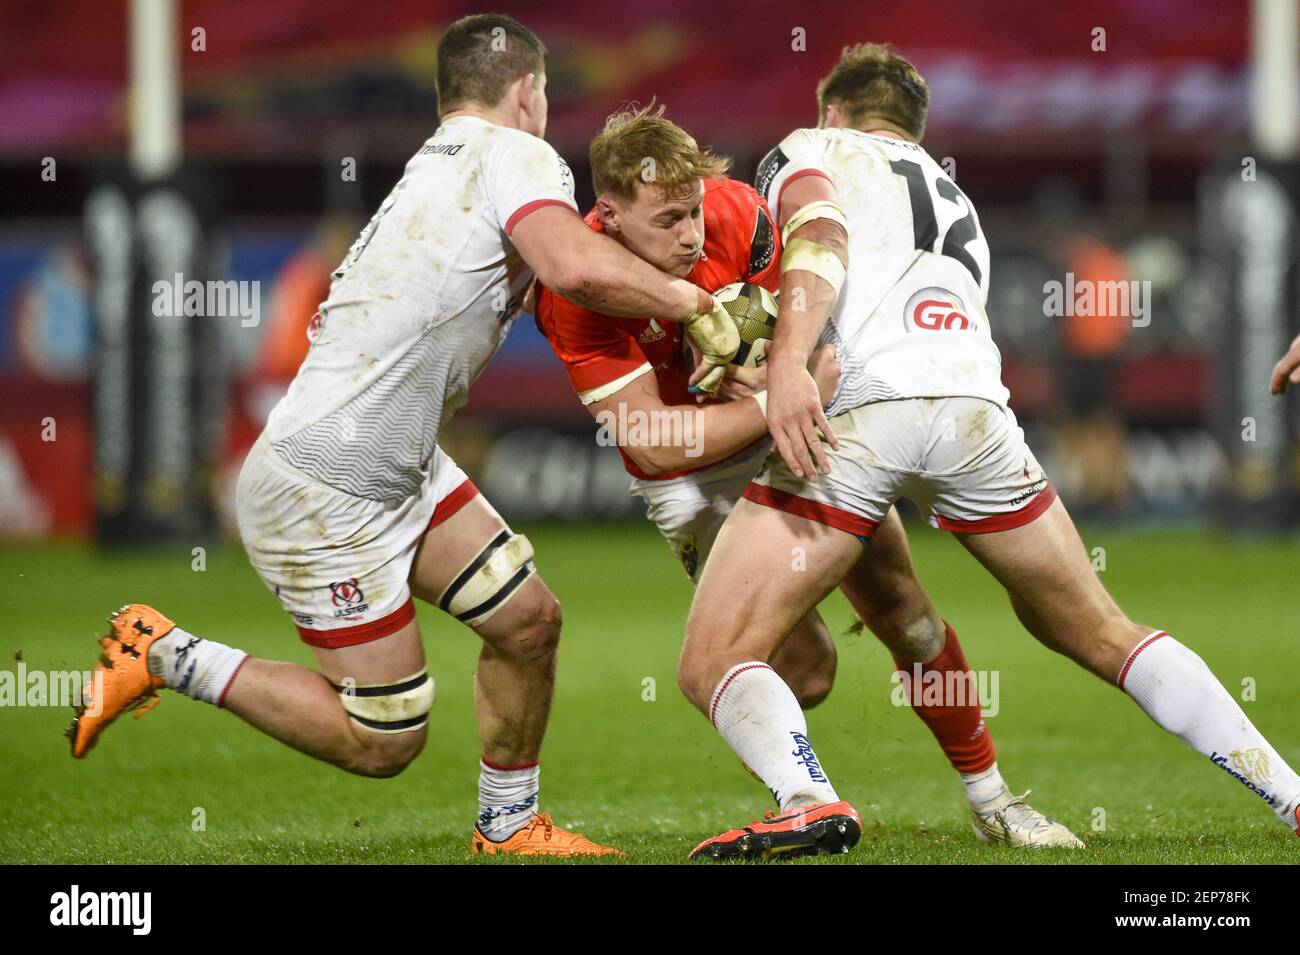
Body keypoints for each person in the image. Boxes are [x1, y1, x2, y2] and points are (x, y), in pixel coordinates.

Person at [68, 13, 743, 859]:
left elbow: (565, 272)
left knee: (528, 621)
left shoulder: (440, 163)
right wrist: (693, 304)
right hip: (327, 482)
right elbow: (572, 267)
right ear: (529, 91)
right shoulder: (517, 156)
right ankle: (165, 651)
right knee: (384, 737)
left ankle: (508, 824)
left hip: (396, 463)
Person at [681, 42, 1300, 860]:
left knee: (713, 657)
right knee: (1100, 630)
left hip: (862, 415)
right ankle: (1290, 796)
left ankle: (807, 797)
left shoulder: (811, 148)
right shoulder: (953, 192)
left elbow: (820, 235)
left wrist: (782, 359)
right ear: (915, 126)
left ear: (834, 111)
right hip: (977, 417)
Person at [534, 105, 1080, 848]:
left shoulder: (739, 216)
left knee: (901, 606)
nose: (691, 234)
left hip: (788, 428)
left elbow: (812, 326)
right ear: (609, 215)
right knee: (807, 671)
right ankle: (807, 791)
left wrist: (777, 373)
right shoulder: (574, 293)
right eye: (667, 219)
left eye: (693, 211)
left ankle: (989, 798)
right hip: (693, 475)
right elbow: (657, 442)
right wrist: (774, 398)